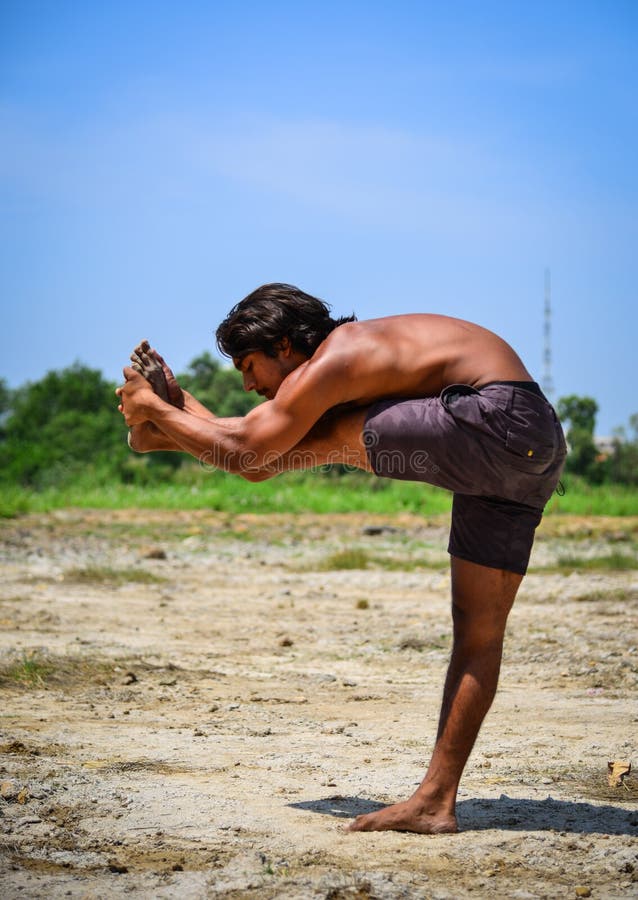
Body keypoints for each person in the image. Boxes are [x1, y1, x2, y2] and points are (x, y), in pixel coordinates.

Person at [116, 283, 566, 835]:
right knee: (478, 633)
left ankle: (162, 433)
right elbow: (260, 445)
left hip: (496, 417)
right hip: (534, 444)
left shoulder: (339, 356)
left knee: (322, 436)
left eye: (249, 366)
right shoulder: (349, 363)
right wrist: (179, 407)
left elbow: (251, 456)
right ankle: (435, 802)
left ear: (284, 345)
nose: (249, 384)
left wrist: (153, 410)